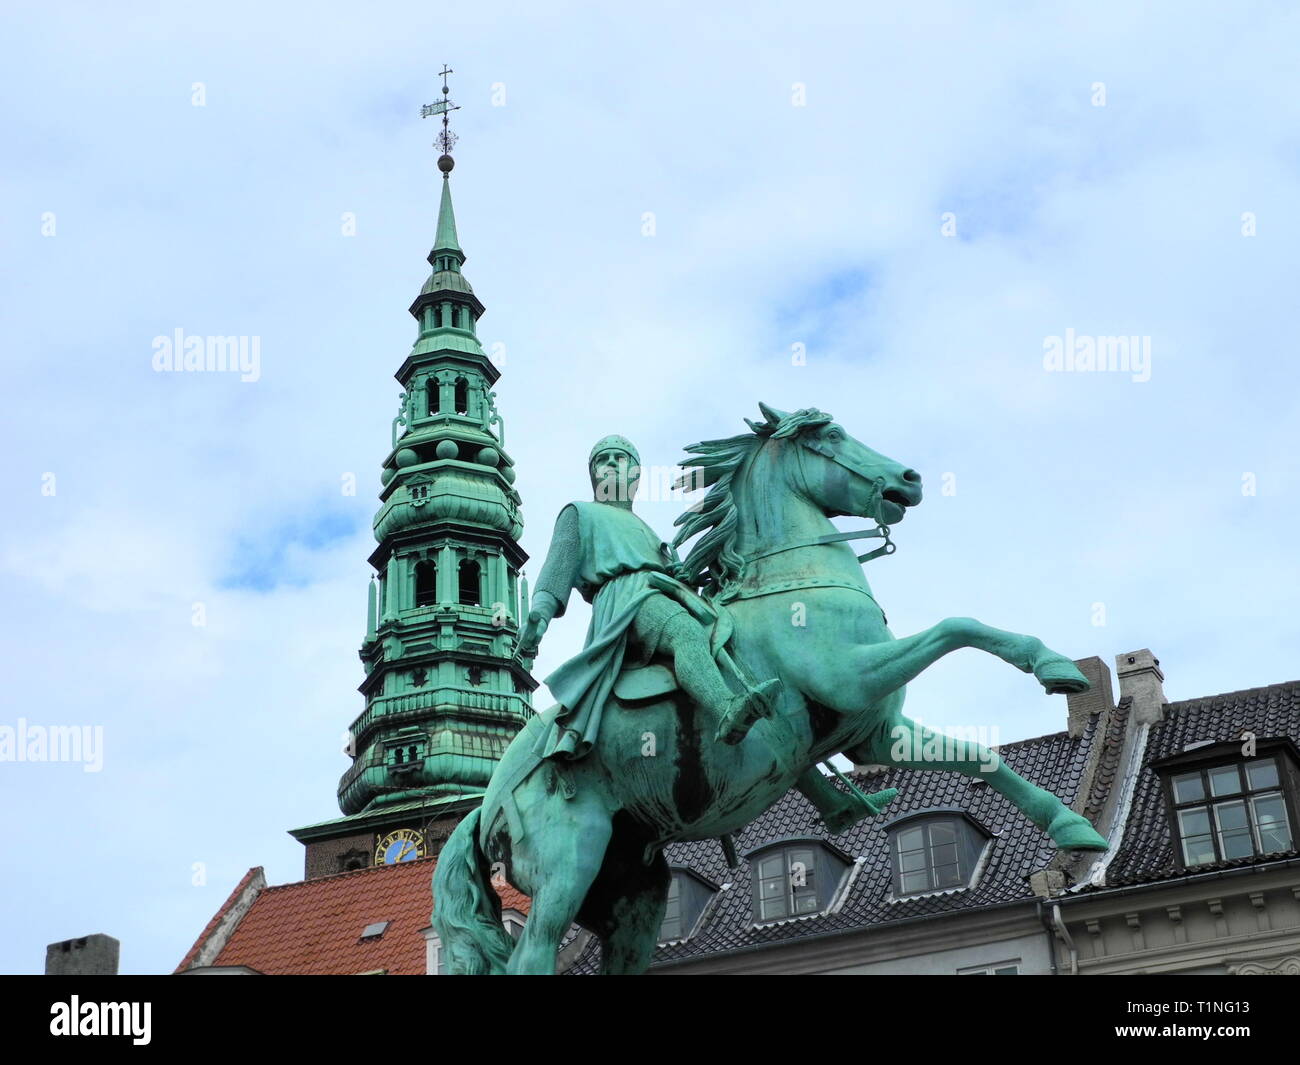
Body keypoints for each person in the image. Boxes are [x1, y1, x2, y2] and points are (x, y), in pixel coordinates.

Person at [518, 435, 779, 761]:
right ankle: (725, 710)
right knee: (684, 631)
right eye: (603, 459)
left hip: (665, 594)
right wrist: (539, 616)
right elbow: (556, 571)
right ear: (593, 475)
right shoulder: (580, 513)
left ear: (636, 474)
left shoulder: (648, 530)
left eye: (620, 458)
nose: (611, 463)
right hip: (626, 599)